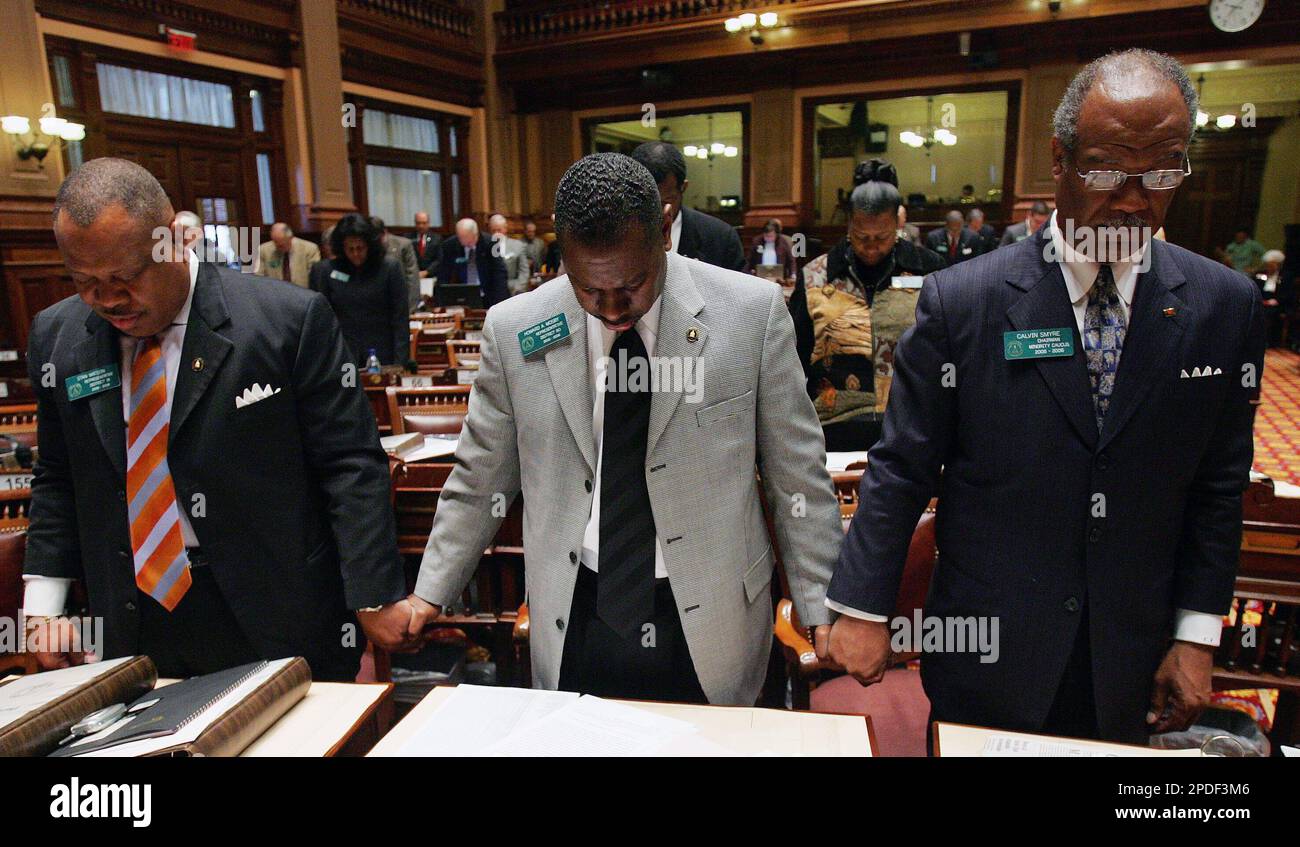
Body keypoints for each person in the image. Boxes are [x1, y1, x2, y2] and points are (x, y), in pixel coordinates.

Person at [824, 49, 1266, 745]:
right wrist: (861, 604)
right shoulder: (962, 302)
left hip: (1133, 654)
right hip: (987, 648)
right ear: (1059, 161)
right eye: (1106, 169)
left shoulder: (1223, 306)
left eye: (1161, 171)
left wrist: (1197, 631)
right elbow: (904, 464)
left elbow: (1215, 486)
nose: (1133, 197)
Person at [403, 153, 842, 704]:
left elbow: (796, 475)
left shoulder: (749, 313)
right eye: (590, 290)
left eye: (631, 286)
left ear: (663, 230)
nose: (613, 311)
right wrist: (430, 591)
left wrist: (819, 602)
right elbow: (481, 477)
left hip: (714, 613)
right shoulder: (516, 328)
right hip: (577, 611)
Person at [22, 158, 416, 681]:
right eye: (84, 281)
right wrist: (43, 604)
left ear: (173, 241)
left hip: (276, 614)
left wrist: (372, 594)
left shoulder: (288, 322)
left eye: (125, 277)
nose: (108, 299)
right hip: (132, 621)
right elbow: (58, 476)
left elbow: (349, 465)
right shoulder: (58, 336)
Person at [789, 159, 946, 451]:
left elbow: (945, 347)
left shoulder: (929, 270)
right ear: (849, 224)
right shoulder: (815, 276)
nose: (871, 245)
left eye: (882, 237)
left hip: (911, 429)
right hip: (832, 432)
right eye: (862, 237)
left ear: (898, 223)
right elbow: (793, 358)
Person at [310, 213, 409, 368]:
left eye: (360, 248)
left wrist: (400, 364)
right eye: (350, 249)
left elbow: (400, 319)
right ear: (341, 248)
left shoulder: (389, 268)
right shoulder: (325, 271)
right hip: (343, 356)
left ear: (370, 245)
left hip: (383, 353)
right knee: (347, 391)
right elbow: (320, 321)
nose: (356, 253)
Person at [630, 141, 746, 272]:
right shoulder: (612, 234)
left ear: (683, 187)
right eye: (643, 202)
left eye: (664, 202)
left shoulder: (720, 239)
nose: (654, 212)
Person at [434, 218, 510, 307]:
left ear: (475, 234)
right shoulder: (449, 245)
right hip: (462, 294)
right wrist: (441, 302)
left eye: (465, 237)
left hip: (488, 292)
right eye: (460, 237)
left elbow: (499, 272)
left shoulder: (492, 243)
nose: (462, 241)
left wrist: (500, 303)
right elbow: (443, 274)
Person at [254, 222, 320, 288]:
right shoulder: (263, 250)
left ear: (290, 238)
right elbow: (259, 276)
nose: (277, 246)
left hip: (303, 292)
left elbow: (315, 276)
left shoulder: (309, 249)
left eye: (281, 245)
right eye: (275, 242)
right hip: (276, 292)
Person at [487, 213, 532, 296]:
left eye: (499, 230)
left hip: (513, 290)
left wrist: (518, 288)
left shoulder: (518, 245)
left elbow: (524, 271)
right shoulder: (486, 247)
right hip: (493, 292)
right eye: (493, 230)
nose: (496, 233)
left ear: (505, 229)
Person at [1257, 249, 1293, 347]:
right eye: (1268, 265)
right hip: (1262, 301)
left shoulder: (1285, 277)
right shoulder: (1261, 275)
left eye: (1272, 265)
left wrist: (1276, 301)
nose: (1269, 267)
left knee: (1269, 313)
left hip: (1278, 303)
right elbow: (1256, 288)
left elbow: (1288, 294)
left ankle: (1267, 340)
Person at [743, 218, 797, 285]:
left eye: (771, 236)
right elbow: (749, 259)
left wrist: (793, 275)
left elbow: (791, 261)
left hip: (779, 279)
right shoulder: (757, 241)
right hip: (759, 278)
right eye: (766, 236)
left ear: (776, 235)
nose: (768, 238)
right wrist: (747, 273)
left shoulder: (784, 242)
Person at [413, 210, 441, 282]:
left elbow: (439, 259)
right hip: (413, 277)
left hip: (432, 276)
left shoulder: (437, 238)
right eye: (418, 223)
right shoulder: (408, 238)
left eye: (424, 223)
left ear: (428, 223)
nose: (421, 226)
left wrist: (427, 272)